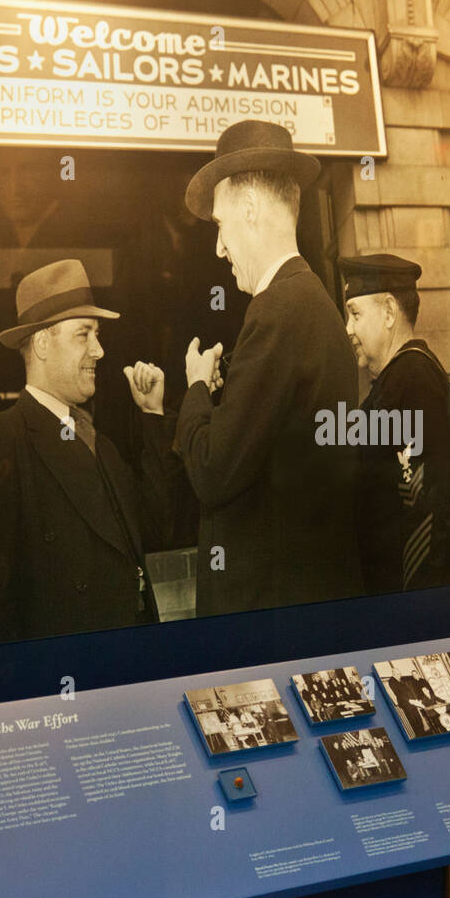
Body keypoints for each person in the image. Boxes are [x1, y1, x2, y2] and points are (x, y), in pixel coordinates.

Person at [179, 120, 364, 615]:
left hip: (270, 614)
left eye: (219, 225)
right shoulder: (315, 305)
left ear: (250, 209)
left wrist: (198, 388)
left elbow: (214, 471)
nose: (218, 248)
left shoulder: (276, 311)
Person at [0, 260, 196, 643]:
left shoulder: (100, 444)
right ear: (42, 343)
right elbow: (1, 601)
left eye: (97, 334)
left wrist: (152, 415)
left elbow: (159, 531)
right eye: (84, 335)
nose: (100, 350)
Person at [340, 253, 450, 592]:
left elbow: (426, 513)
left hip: (417, 592)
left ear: (389, 313)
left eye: (354, 314)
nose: (348, 328)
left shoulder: (411, 379)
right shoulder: (400, 378)